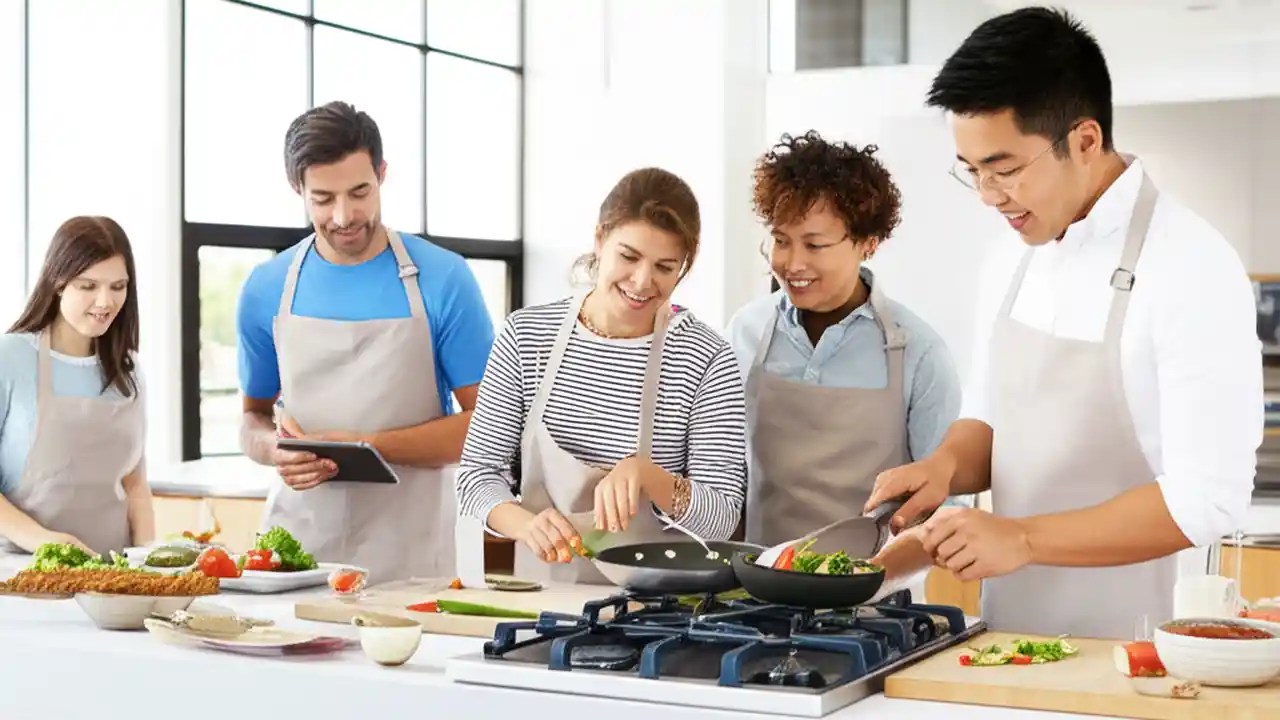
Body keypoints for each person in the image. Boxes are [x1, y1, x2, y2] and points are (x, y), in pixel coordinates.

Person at [866, 7, 1263, 639]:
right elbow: (992, 417)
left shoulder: (1192, 265)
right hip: (1010, 641)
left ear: (1084, 140)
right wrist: (945, 466)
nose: (988, 195)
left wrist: (1022, 538)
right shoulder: (1011, 258)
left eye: (1005, 169)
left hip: (1149, 650)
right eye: (972, 171)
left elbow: (1206, 498)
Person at [237, 101, 495, 583]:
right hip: (300, 545)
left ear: (382, 174)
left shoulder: (444, 278)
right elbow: (252, 417)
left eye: (360, 192)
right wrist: (273, 449)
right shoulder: (266, 288)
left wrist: (366, 447)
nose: (344, 216)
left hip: (413, 545)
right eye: (322, 198)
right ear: (297, 189)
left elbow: (485, 428)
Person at [455, 167, 748, 584]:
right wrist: (526, 524)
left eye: (665, 267)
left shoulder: (705, 358)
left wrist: (649, 477)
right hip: (538, 598)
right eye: (629, 257)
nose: (642, 281)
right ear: (600, 239)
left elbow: (722, 515)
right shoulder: (526, 336)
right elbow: (476, 478)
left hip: (657, 606)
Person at [725, 131, 963, 597]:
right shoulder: (744, 332)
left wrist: (863, 581)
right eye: (780, 240)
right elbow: (724, 475)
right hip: (756, 597)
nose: (792, 263)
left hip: (875, 604)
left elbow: (945, 510)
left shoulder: (919, 352)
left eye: (814, 245)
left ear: (867, 243)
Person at [0, 216, 154, 556]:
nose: (105, 302)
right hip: (21, 569)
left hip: (112, 575)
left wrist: (149, 561)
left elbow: (135, 485)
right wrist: (44, 542)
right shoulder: (9, 358)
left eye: (118, 286)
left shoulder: (128, 372)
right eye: (88, 286)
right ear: (58, 282)